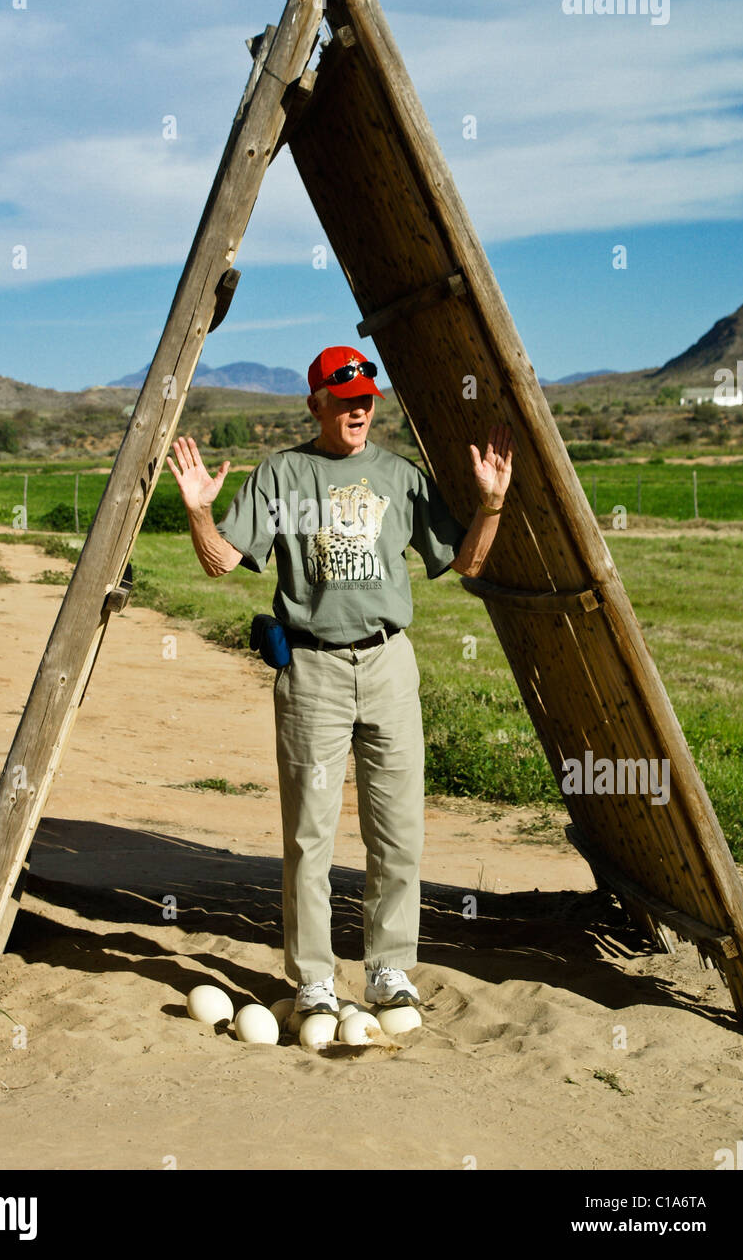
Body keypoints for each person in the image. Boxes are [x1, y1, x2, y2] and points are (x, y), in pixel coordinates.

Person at [166, 346, 513, 1016]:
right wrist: (198, 512)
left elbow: (466, 562)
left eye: (365, 398)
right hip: (313, 671)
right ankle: (315, 980)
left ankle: (389, 970)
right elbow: (218, 563)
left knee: (398, 830)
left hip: (389, 665)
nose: (357, 408)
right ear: (315, 403)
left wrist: (493, 505)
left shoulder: (399, 477)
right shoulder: (281, 474)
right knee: (309, 837)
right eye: (342, 395)